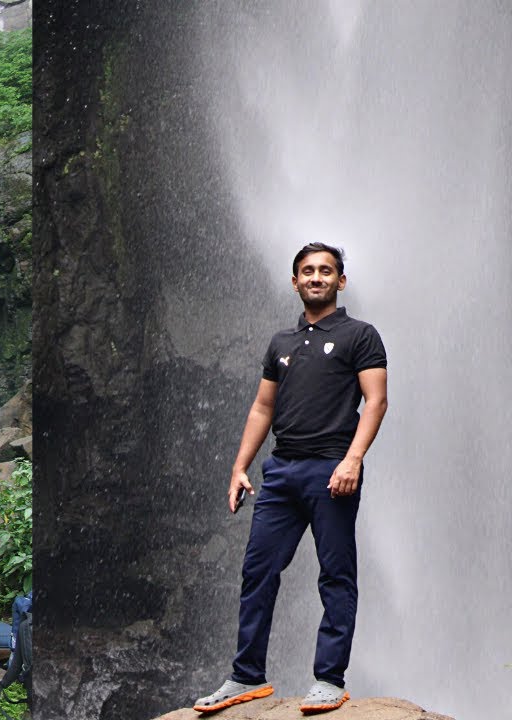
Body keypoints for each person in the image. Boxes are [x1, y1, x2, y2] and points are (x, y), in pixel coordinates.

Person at [194, 243, 388, 715]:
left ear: (341, 281)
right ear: (295, 281)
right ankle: (246, 676)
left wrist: (353, 459)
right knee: (258, 571)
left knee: (336, 576)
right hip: (280, 471)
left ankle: (329, 679)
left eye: (326, 271)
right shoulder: (281, 343)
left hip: (331, 470)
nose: (316, 277)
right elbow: (263, 407)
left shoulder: (360, 335)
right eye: (307, 271)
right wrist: (240, 466)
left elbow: (376, 401)